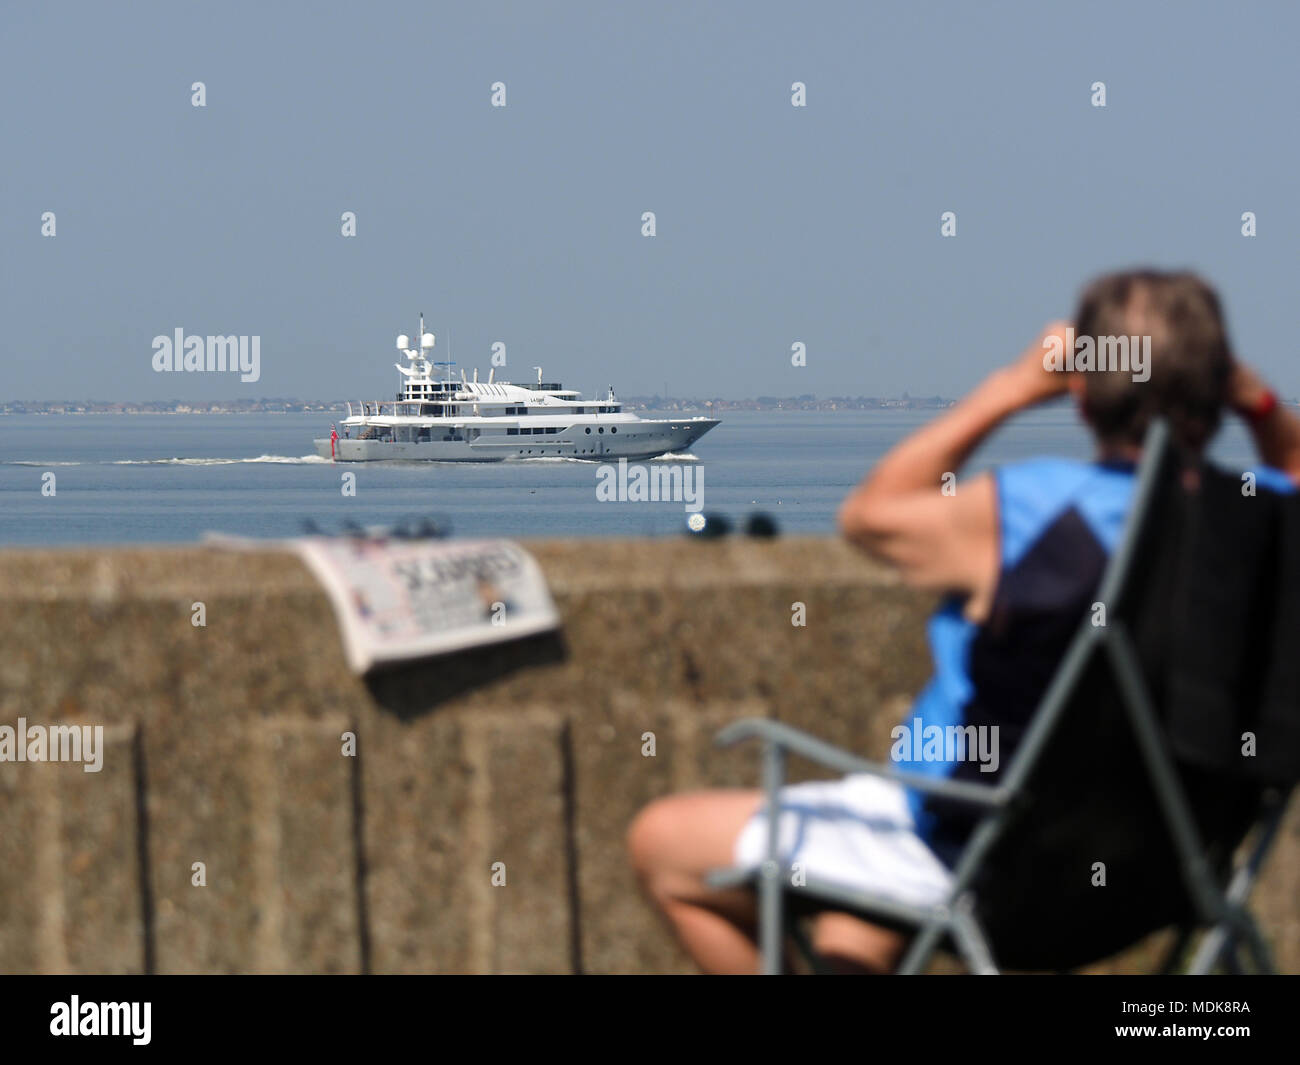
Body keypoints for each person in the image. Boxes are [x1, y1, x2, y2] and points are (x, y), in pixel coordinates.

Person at [626, 269, 1300, 974]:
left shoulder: (1033, 510)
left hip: (982, 862)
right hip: (1165, 880)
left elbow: (869, 515)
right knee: (854, 930)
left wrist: (1015, 383)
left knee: (664, 846)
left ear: (1081, 389)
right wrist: (1256, 402)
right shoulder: (1266, 518)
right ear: (1217, 384)